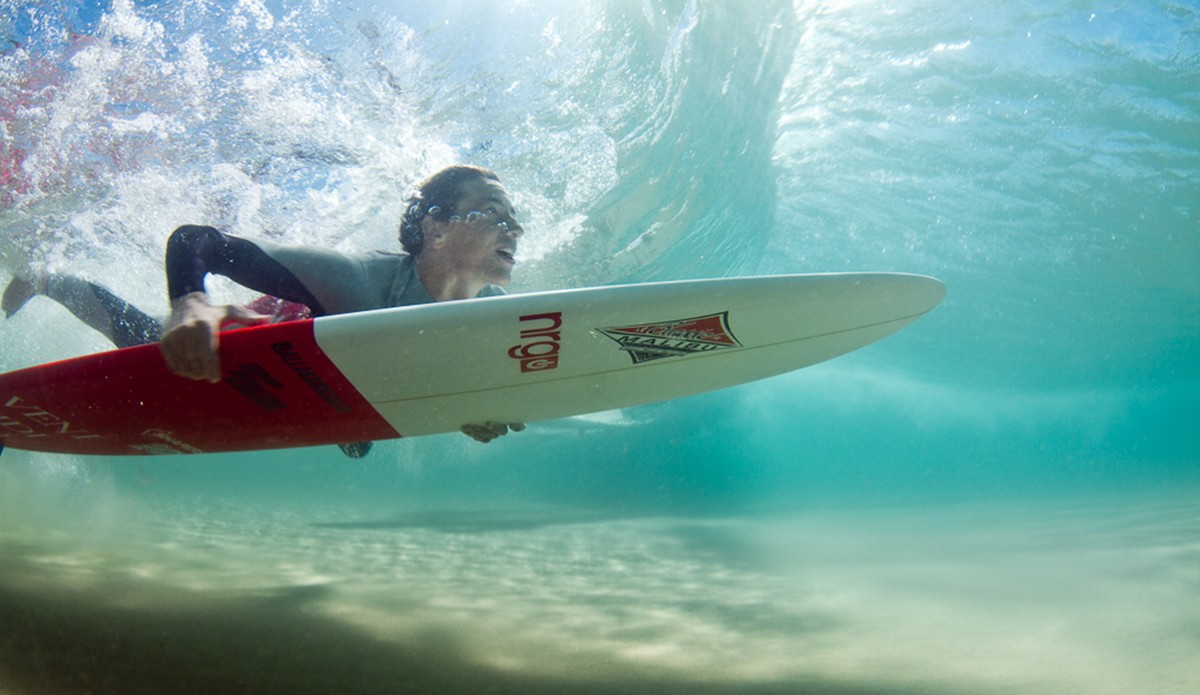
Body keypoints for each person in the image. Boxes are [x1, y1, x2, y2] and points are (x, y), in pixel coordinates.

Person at [2, 164, 526, 454]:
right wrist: (191, 303)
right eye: (493, 212)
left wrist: (465, 414)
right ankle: (46, 278)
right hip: (261, 335)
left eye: (515, 217)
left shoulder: (496, 314)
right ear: (435, 227)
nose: (516, 228)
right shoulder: (354, 278)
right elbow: (197, 240)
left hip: (341, 384)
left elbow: (433, 373)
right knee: (140, 337)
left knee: (359, 448)